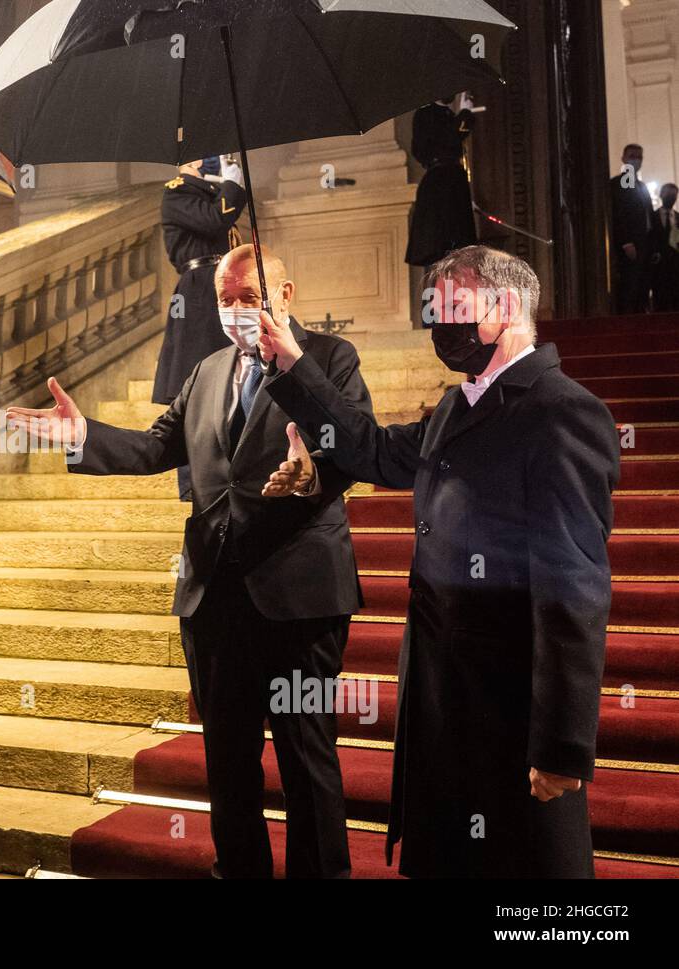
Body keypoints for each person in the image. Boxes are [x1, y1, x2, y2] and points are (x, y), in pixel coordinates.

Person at [7, 244, 375, 879]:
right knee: (228, 760)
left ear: (285, 296)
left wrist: (314, 470)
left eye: (250, 299)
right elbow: (157, 446)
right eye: (225, 301)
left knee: (305, 758)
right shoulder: (206, 371)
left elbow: (354, 445)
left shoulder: (330, 359)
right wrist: (84, 435)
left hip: (299, 600)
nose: (235, 312)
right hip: (215, 598)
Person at [259, 245, 619, 878]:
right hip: (440, 700)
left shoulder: (563, 412)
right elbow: (369, 448)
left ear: (505, 308)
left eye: (453, 309)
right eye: (434, 311)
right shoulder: (457, 405)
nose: (438, 328)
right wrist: (294, 361)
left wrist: (562, 742)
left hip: (507, 711)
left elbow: (574, 588)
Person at [153, 156, 248, 501]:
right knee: (196, 386)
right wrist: (233, 183)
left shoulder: (209, 192)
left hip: (222, 285)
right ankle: (193, 482)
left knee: (232, 383)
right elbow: (216, 219)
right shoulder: (177, 193)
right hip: (197, 297)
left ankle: (230, 470)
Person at [405, 93, 478, 270]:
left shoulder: (448, 116)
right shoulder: (426, 114)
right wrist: (465, 115)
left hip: (452, 182)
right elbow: (448, 139)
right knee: (440, 250)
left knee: (460, 251)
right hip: (440, 185)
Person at [609, 144, 656, 315]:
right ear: (623, 159)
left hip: (646, 242)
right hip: (631, 244)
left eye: (639, 156)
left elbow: (648, 214)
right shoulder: (620, 182)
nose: (636, 159)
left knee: (643, 285)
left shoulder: (642, 185)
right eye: (632, 155)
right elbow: (619, 213)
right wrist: (626, 242)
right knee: (630, 286)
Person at [651, 182, 679, 312]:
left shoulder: (678, 218)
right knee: (660, 301)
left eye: (674, 195)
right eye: (668, 194)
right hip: (658, 267)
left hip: (676, 267)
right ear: (661, 195)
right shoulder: (652, 217)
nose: (671, 197)